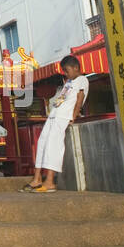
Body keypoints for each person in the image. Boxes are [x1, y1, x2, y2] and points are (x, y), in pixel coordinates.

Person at [24, 55, 89, 194]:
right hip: (54, 114)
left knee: (54, 146)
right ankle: (37, 179)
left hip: (63, 117)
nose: (65, 74)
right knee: (42, 143)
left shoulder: (82, 80)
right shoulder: (69, 82)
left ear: (76, 68)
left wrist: (73, 115)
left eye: (67, 70)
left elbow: (79, 99)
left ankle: (50, 181)